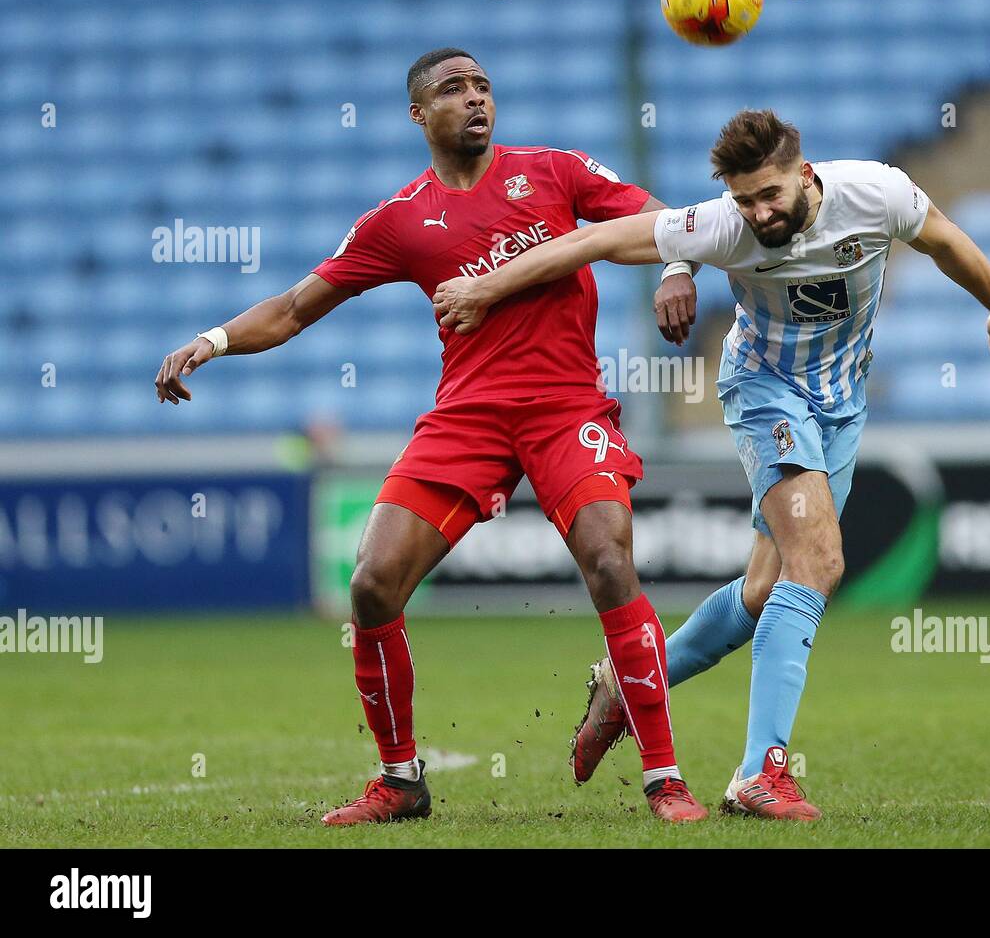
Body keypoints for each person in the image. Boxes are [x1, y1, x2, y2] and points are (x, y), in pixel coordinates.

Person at [154, 48, 708, 825]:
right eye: (454, 89)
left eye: (484, 86)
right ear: (419, 115)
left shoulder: (553, 171)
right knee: (372, 582)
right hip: (468, 415)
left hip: (565, 407)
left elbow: (663, 219)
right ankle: (400, 782)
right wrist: (210, 341)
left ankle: (664, 779)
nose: (476, 98)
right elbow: (291, 308)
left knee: (612, 559)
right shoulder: (400, 219)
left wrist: (676, 269)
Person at [432, 108, 990, 820]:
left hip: (842, 402)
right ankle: (760, 773)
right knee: (818, 564)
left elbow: (945, 241)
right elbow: (594, 240)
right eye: (745, 199)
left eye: (770, 194)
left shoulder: (878, 194)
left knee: (763, 590)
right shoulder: (723, 223)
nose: (758, 212)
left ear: (804, 175)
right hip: (765, 390)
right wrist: (485, 286)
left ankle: (621, 687)